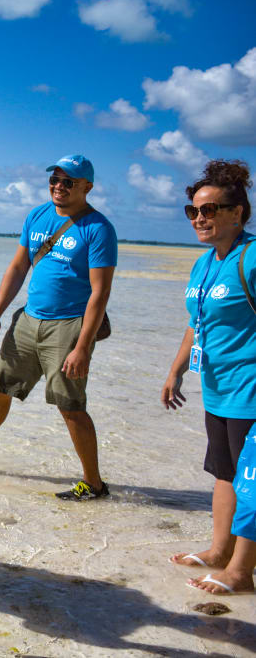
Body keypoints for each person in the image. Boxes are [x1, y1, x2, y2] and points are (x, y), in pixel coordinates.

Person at [0, 154, 117, 501]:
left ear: (87, 187)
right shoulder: (37, 215)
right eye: (55, 178)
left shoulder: (98, 229)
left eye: (69, 181)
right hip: (28, 320)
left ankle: (94, 484)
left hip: (69, 326)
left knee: (70, 405)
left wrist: (82, 346)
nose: (58, 186)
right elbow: (19, 266)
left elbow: (100, 292)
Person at [161, 159, 256, 594]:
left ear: (238, 213)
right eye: (193, 211)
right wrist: (176, 370)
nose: (200, 218)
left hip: (251, 391)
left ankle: (241, 572)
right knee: (223, 473)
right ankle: (221, 551)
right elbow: (195, 324)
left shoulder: (251, 257)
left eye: (210, 209)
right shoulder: (204, 263)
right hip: (217, 390)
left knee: (251, 483)